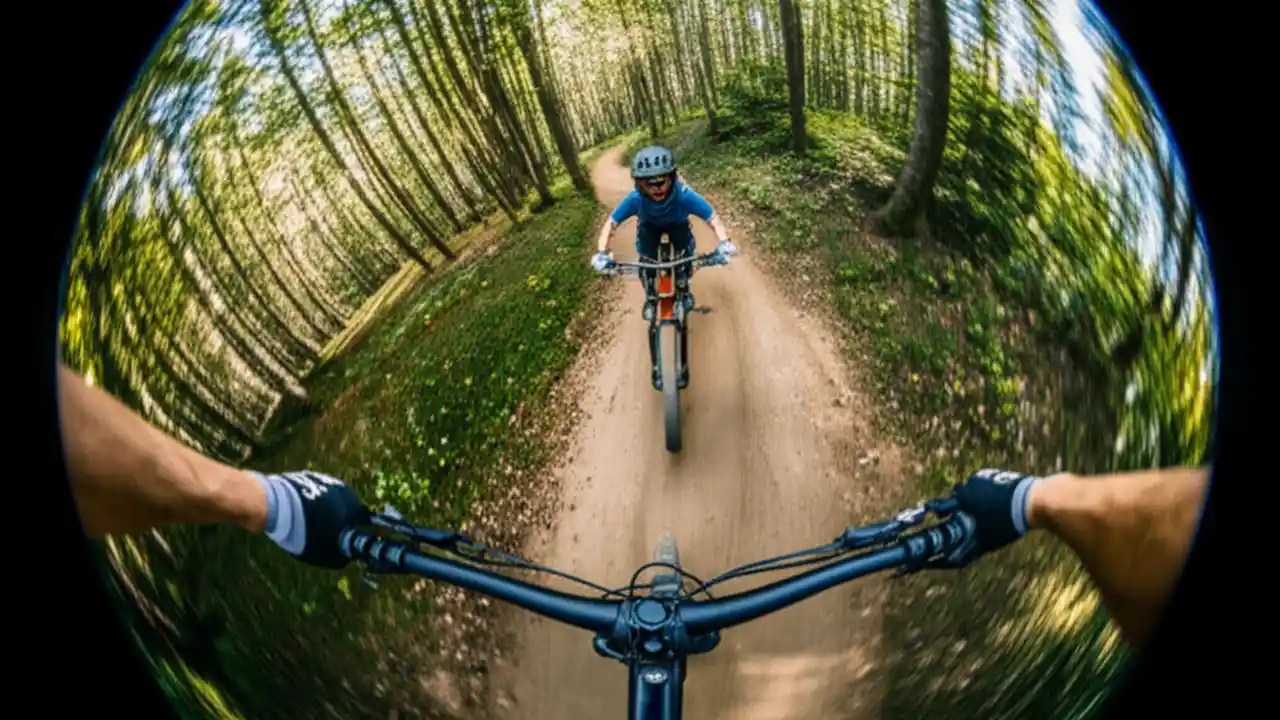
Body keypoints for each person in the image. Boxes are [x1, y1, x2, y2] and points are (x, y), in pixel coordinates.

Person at [56, 361, 1208, 648]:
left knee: (681, 282)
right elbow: (619, 226)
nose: (654, 192)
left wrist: (705, 243)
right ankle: (1035, 502)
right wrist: (618, 250)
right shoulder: (635, 204)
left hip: (683, 270)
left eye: (659, 185)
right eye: (647, 186)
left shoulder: (683, 195)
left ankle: (272, 507)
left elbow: (698, 224)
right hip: (632, 274)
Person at [591, 145, 737, 321]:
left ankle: (684, 287)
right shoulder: (636, 198)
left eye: (662, 182)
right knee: (646, 261)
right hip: (649, 227)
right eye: (649, 184)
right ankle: (651, 298)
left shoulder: (683, 195)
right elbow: (611, 224)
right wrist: (602, 252)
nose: (657, 188)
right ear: (639, 183)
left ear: (672, 177)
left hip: (678, 224)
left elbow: (712, 217)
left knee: (685, 253)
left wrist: (724, 242)